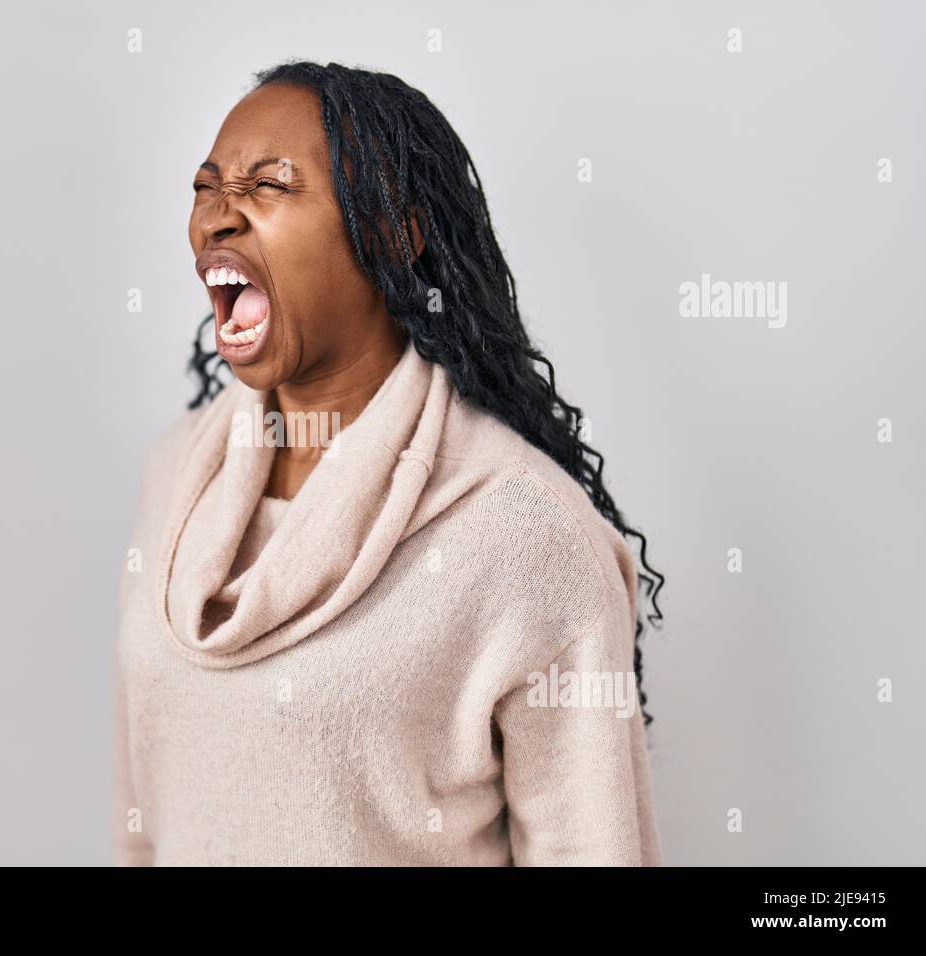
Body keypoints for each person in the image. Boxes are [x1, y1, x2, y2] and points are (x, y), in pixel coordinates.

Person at [114, 61, 665, 866]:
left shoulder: (525, 532)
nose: (218, 218)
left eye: (269, 185)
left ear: (392, 236)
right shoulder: (173, 477)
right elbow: (142, 818)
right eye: (207, 187)